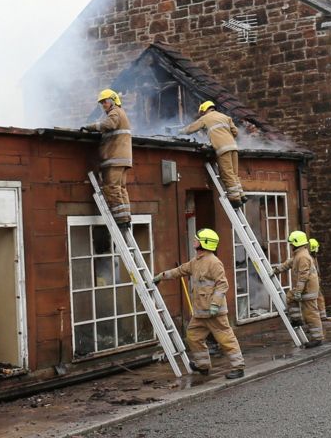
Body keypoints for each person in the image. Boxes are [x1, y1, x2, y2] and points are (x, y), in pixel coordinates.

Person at [153, 228, 245, 378]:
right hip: (201, 313)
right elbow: (180, 270)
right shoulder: (195, 262)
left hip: (215, 313)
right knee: (193, 336)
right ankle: (203, 365)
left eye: (197, 239)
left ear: (205, 243)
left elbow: (222, 285)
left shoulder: (214, 263)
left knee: (225, 339)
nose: (194, 241)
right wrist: (162, 276)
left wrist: (215, 304)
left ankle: (238, 367)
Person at [81, 89, 132, 228]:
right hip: (123, 159)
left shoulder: (115, 112)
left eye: (105, 102)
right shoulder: (122, 114)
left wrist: (90, 127)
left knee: (111, 188)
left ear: (113, 100)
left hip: (115, 158)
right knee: (121, 189)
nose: (103, 105)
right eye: (101, 103)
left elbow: (109, 124)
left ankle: (120, 221)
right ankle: (126, 218)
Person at [180, 101, 245, 206]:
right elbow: (235, 132)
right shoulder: (226, 117)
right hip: (233, 147)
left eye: (202, 112)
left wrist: (179, 132)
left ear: (204, 110)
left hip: (222, 148)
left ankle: (235, 199)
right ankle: (241, 195)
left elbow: (191, 129)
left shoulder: (206, 118)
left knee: (226, 173)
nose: (202, 114)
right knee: (233, 173)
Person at [272, 230, 324, 348]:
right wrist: (278, 270)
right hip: (306, 288)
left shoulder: (303, 257)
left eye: (291, 243)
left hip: (308, 289)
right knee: (290, 297)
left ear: (296, 243)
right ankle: (297, 319)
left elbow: (303, 276)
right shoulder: (299, 255)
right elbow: (290, 263)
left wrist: (299, 291)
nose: (290, 245)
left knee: (311, 314)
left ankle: (317, 338)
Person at [308, 238, 327, 320]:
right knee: (315, 299)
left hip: (314, 281)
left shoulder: (312, 257)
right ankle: (320, 315)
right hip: (312, 282)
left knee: (318, 297)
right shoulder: (310, 258)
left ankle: (322, 315)